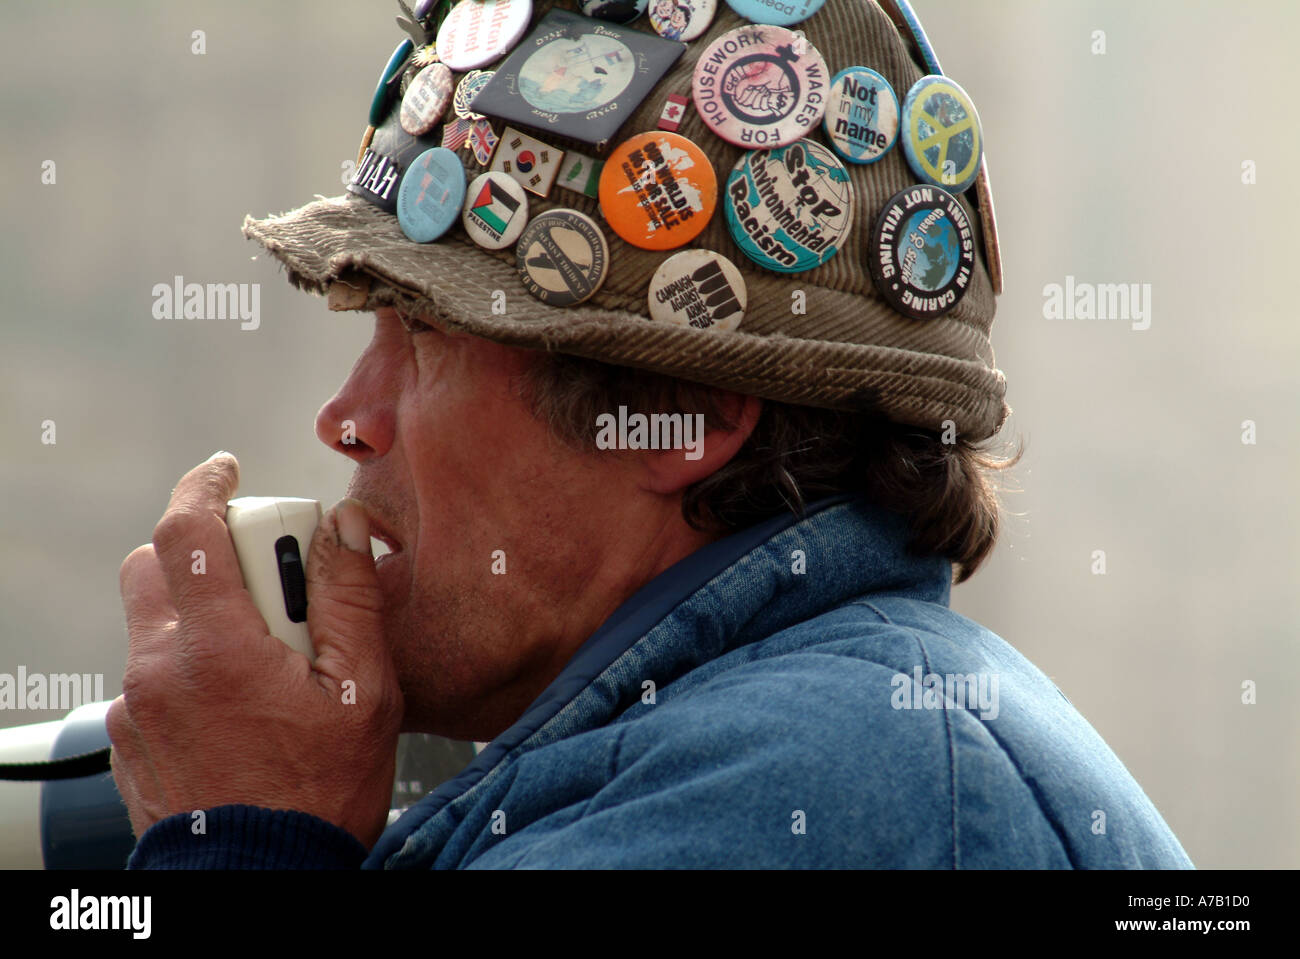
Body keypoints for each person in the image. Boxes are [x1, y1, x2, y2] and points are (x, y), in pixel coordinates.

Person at [108, 0, 1193, 868]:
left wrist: (246, 831)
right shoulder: (785, 738)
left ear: (689, 418)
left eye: (424, 332)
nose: (345, 418)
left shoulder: (803, 788)